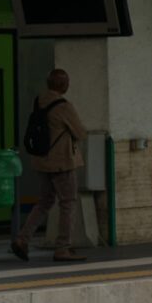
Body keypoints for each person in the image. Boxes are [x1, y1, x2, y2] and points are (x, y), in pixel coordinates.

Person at [15, 68, 88, 263]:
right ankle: (63, 248)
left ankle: (22, 239)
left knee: (45, 201)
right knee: (68, 202)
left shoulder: (39, 101)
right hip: (61, 163)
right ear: (64, 85)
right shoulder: (63, 106)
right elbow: (80, 133)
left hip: (42, 161)